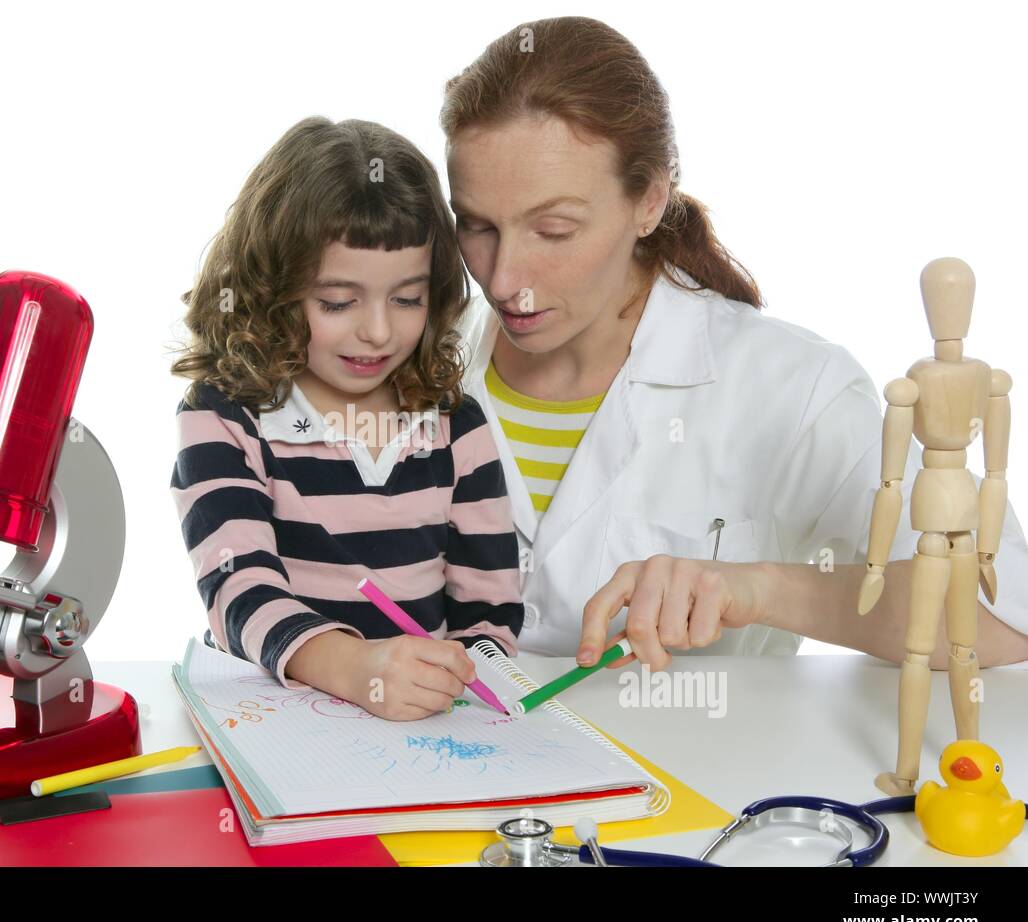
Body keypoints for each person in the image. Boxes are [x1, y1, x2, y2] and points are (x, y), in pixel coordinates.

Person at [439, 16, 1028, 671]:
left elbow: (1003, 614)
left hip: (685, 775)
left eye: (553, 230)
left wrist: (760, 589)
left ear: (650, 200)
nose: (505, 278)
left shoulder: (789, 385)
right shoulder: (399, 367)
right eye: (479, 227)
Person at [170, 116, 524, 721]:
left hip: (421, 732)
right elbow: (239, 591)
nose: (380, 331)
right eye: (338, 302)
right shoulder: (224, 417)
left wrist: (464, 675)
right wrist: (357, 669)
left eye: (408, 299)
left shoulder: (456, 425)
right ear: (272, 289)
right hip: (276, 724)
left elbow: (488, 609)